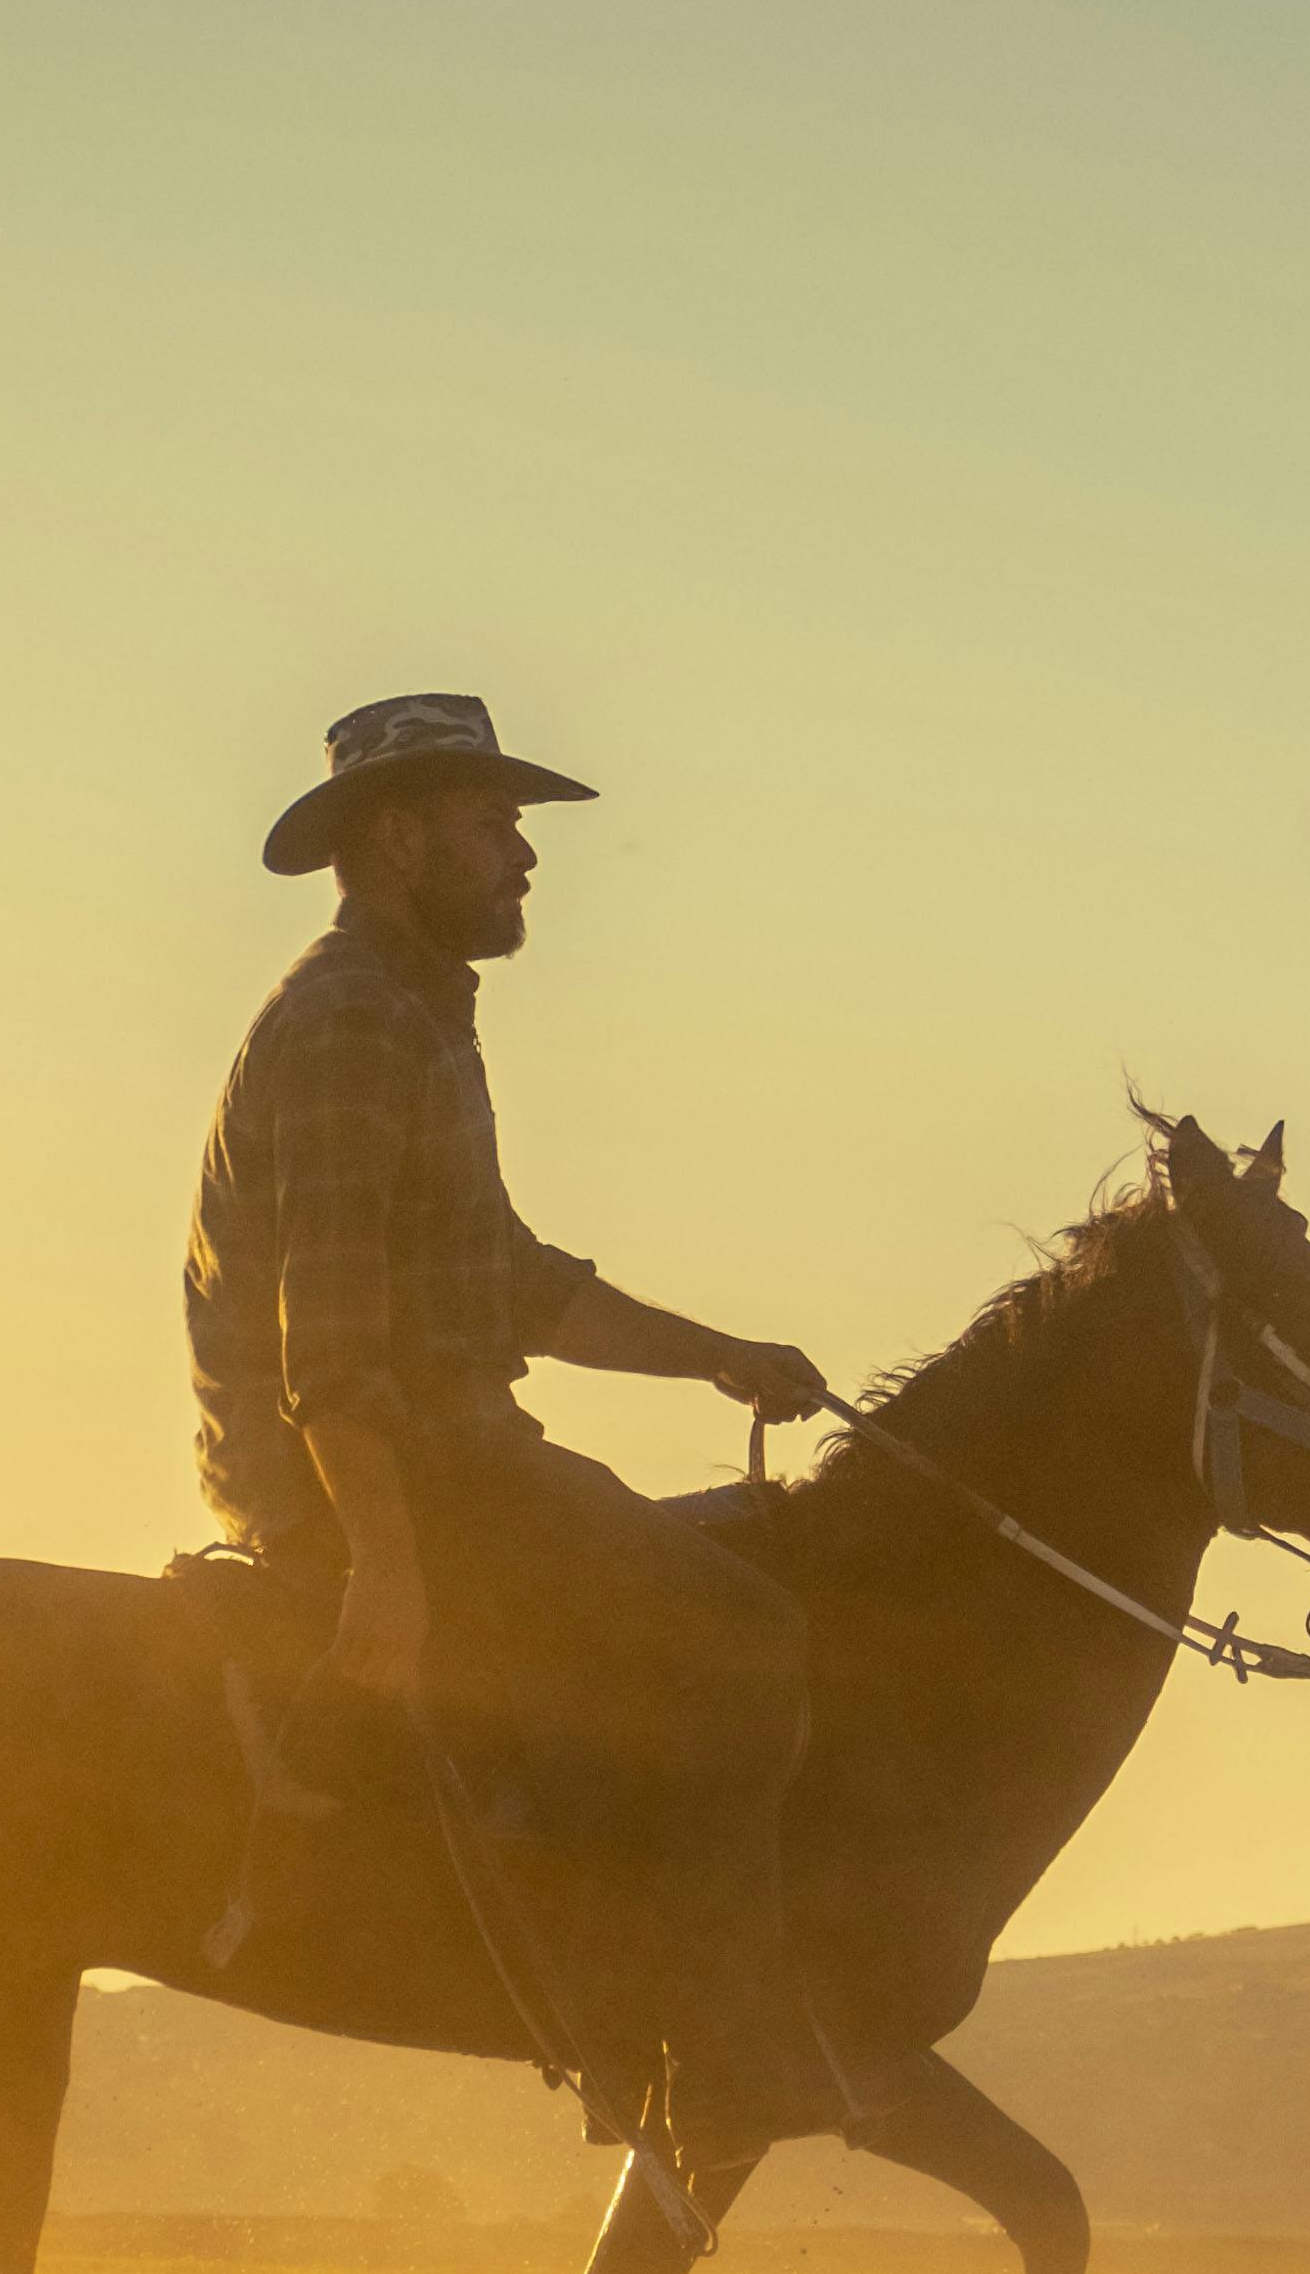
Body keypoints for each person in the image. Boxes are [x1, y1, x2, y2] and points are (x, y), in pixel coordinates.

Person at [183, 693, 849, 2160]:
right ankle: (697, 2041)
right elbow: (334, 1331)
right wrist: (384, 1564)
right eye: (496, 825)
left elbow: (515, 1285)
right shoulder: (357, 1023)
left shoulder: (412, 1013)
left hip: (432, 1452)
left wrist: (719, 1358)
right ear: (401, 835)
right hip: (382, 1471)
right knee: (736, 1631)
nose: (526, 857)